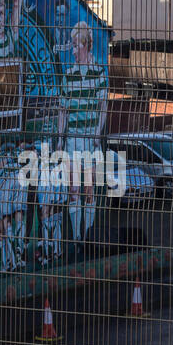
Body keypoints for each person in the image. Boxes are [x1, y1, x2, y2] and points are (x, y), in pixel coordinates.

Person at [60, 21, 106, 244]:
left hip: (90, 138)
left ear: (86, 45)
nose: (73, 50)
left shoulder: (99, 72)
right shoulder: (68, 75)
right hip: (73, 139)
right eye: (72, 46)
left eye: (76, 45)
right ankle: (77, 237)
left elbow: (103, 106)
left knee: (89, 190)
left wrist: (98, 133)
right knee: (73, 190)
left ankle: (88, 236)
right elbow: (62, 109)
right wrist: (60, 140)